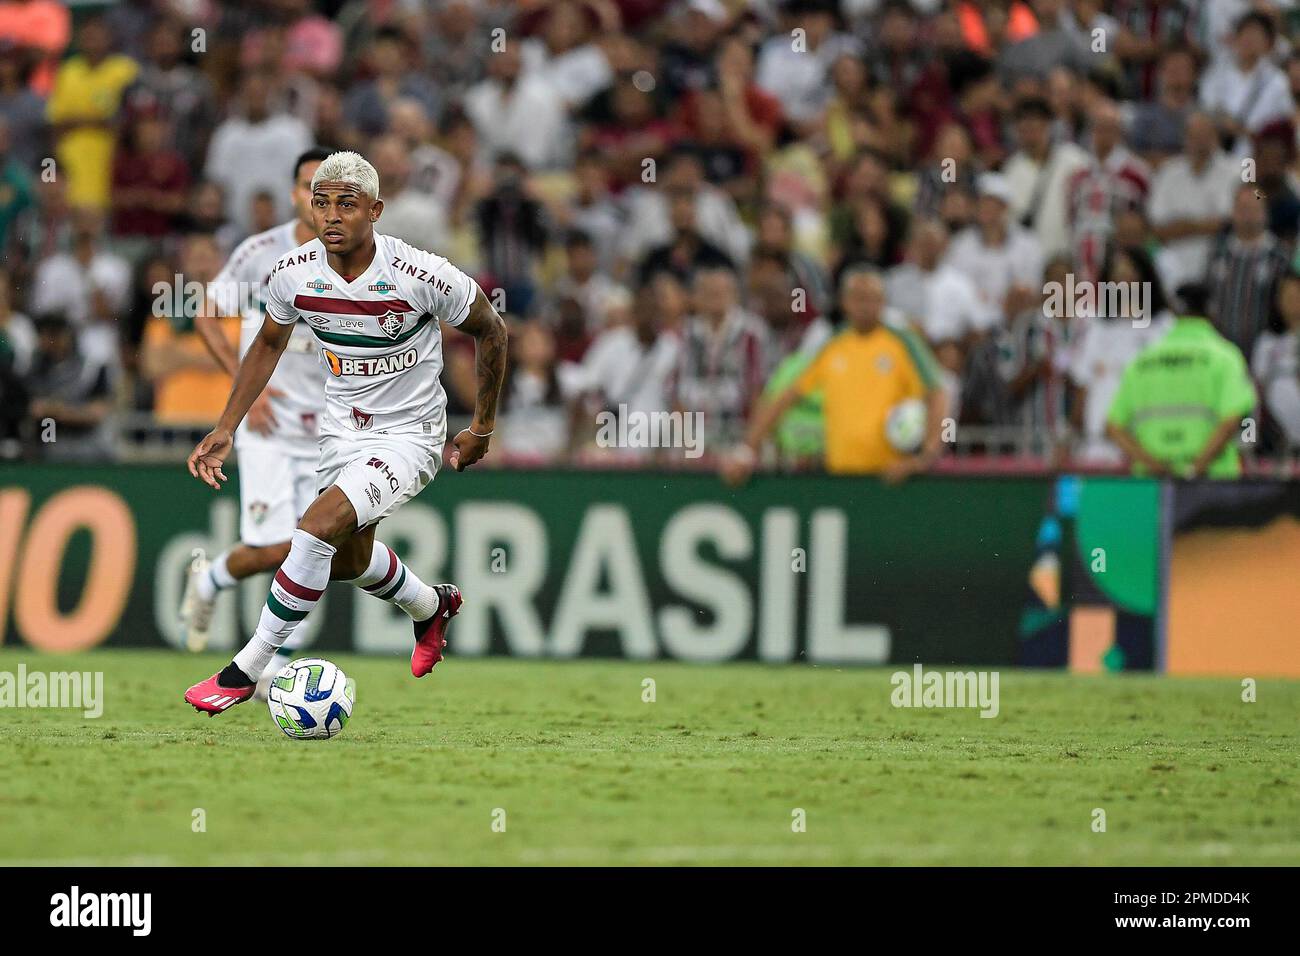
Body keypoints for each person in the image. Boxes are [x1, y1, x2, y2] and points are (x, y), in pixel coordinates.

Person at [182, 150, 508, 715]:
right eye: (322, 203)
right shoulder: (292, 272)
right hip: (339, 434)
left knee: (312, 530)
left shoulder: (421, 275)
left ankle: (246, 668)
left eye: (347, 205)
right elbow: (266, 344)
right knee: (351, 560)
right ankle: (431, 606)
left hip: (410, 435)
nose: (331, 215)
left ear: (376, 211)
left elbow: (493, 331)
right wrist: (226, 425)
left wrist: (481, 424)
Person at [178, 148, 331, 666]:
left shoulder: (356, 258)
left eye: (331, 190)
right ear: (294, 194)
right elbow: (205, 314)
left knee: (314, 551)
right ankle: (217, 585)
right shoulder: (260, 252)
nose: (321, 199)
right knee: (276, 548)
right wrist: (249, 390)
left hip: (326, 430)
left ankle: (227, 595)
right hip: (266, 423)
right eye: (311, 187)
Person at [723, 266, 946, 482]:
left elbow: (937, 394)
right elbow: (785, 397)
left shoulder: (903, 342)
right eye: (858, 298)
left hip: (891, 477)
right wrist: (746, 450)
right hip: (840, 476)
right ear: (844, 302)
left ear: (883, 302)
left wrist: (924, 457)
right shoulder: (834, 346)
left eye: (872, 298)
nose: (865, 306)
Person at [1106, 284, 1257, 479]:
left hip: (1153, 485)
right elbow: (1234, 419)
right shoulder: (1225, 357)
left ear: (1173, 312)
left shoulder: (1142, 359)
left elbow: (1114, 427)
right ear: (1211, 311)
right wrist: (1194, 470)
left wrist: (1154, 468)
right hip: (1213, 481)